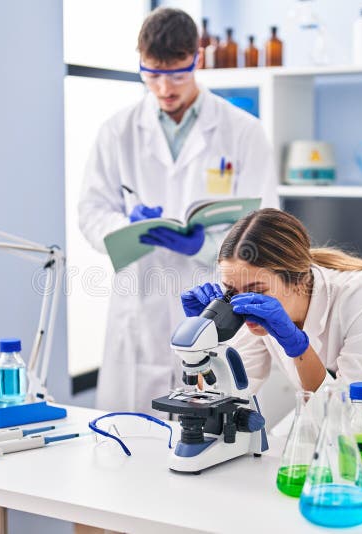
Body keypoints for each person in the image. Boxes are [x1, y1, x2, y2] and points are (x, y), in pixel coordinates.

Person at [78, 8, 278, 412]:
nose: (164, 88)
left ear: (197, 59)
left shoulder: (243, 131)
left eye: (177, 75)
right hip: (140, 304)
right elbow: (91, 212)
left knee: (215, 426)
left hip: (215, 300)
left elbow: (265, 227)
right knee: (132, 433)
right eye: (152, 74)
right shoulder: (117, 131)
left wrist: (204, 247)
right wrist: (126, 226)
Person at [182, 208, 362, 412]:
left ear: (298, 280)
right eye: (231, 291)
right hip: (353, 418)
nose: (241, 305)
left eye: (256, 290)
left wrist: (298, 348)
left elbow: (349, 413)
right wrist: (204, 344)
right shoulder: (255, 309)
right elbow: (228, 395)